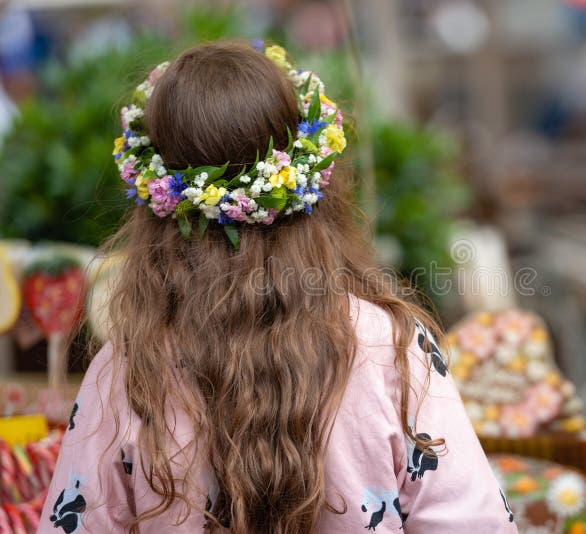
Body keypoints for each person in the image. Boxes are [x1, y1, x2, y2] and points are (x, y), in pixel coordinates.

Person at [39, 42, 517, 533]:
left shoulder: (126, 370)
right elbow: (473, 523)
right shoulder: (391, 347)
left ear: (156, 195)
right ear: (309, 178)